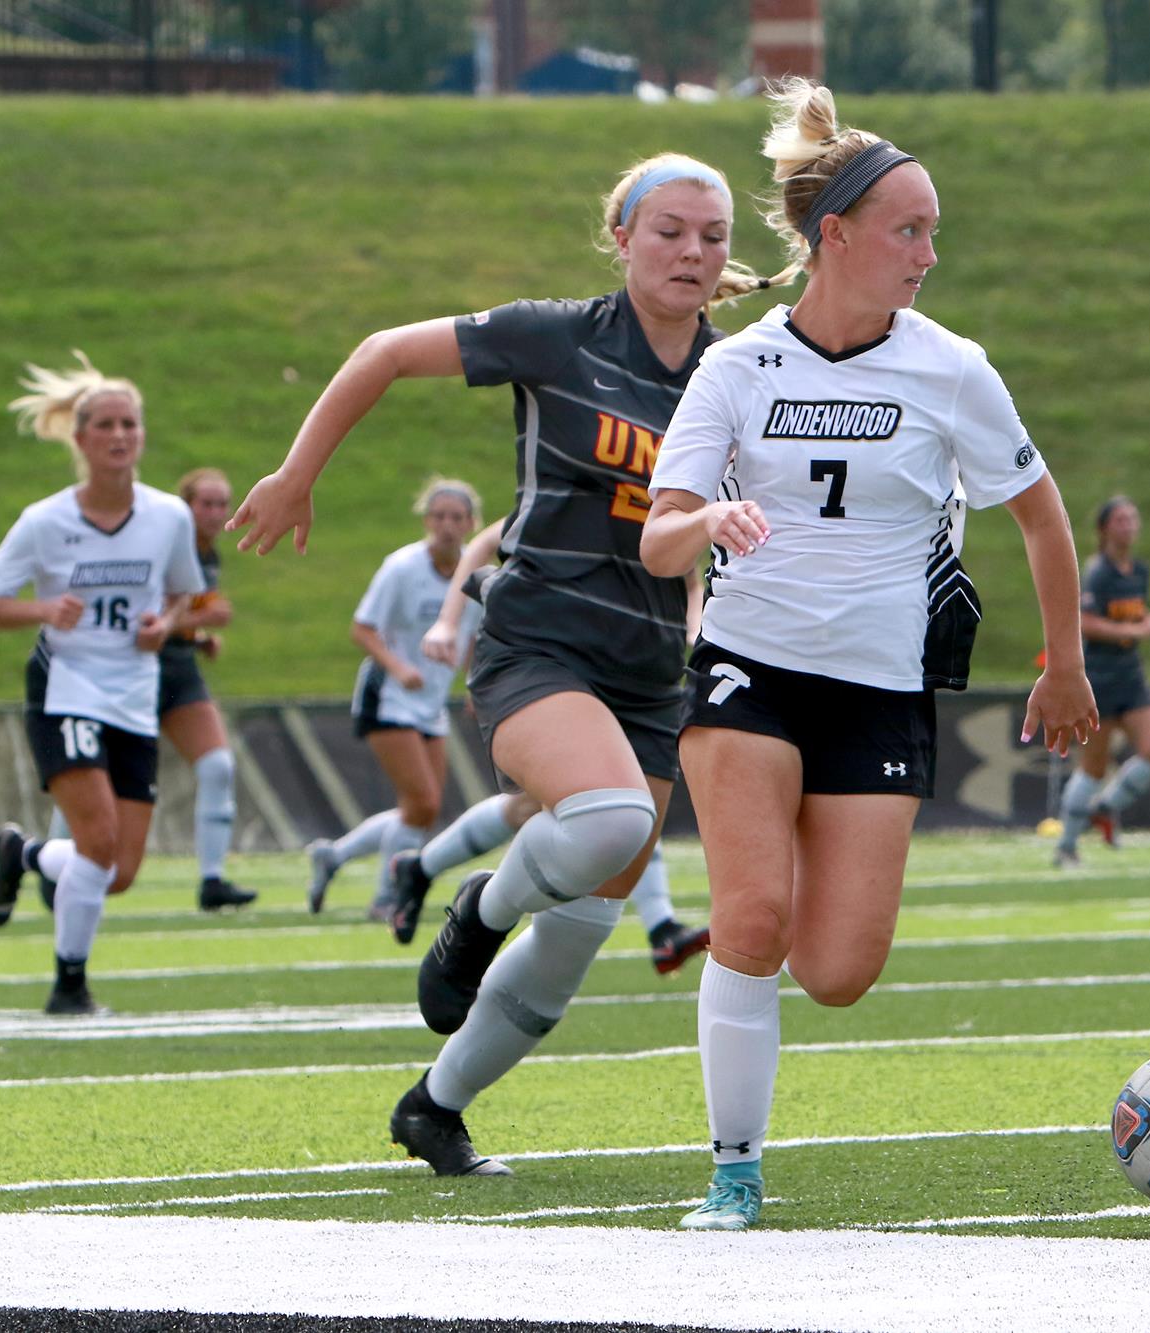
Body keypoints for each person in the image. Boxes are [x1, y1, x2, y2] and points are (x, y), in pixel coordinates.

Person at [230, 151, 772, 1176]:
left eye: (711, 235)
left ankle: (435, 1106)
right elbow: (384, 351)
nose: (692, 252)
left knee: (579, 935)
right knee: (609, 820)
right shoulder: (557, 336)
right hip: (538, 644)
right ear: (619, 236)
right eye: (668, 230)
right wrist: (296, 474)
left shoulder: (739, 371)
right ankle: (474, 912)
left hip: (652, 670)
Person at [640, 78, 1099, 1231]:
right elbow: (658, 538)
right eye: (910, 229)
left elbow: (1040, 516)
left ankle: (771, 950)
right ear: (832, 236)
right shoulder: (736, 368)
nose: (928, 253)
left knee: (837, 969)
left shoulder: (951, 368)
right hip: (748, 670)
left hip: (880, 689)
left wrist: (1064, 662)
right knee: (750, 918)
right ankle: (732, 1172)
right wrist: (709, 525)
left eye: (933, 230)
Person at [0, 352, 204, 1015]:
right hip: (66, 687)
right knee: (97, 844)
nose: (120, 435)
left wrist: (169, 622)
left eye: (129, 423)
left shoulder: (168, 517)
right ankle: (69, 984)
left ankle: (25, 854)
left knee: (118, 871)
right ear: (80, 439)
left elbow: (189, 592)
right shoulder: (45, 521)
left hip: (134, 691)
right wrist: (43, 609)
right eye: (105, 424)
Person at [378, 513, 713, 972]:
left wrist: (693, 627)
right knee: (617, 795)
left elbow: (687, 575)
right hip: (560, 665)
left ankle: (421, 869)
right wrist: (447, 623)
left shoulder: (664, 499)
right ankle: (658, 926)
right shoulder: (578, 491)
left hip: (631, 668)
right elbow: (485, 544)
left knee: (560, 804)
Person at [38, 466, 255, 912]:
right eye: (206, 504)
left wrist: (197, 638)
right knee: (89, 776)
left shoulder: (207, 553)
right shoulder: (154, 538)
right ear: (185, 505)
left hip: (177, 672)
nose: (216, 513)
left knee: (217, 767)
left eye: (222, 504)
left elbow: (175, 617)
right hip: (128, 673)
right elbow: (141, 618)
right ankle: (52, 861)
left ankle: (212, 881)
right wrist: (199, 623)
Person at [304, 478, 484, 920]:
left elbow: (472, 637)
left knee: (422, 810)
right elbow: (363, 628)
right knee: (421, 803)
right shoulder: (402, 568)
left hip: (431, 704)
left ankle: (335, 855)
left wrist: (477, 684)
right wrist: (399, 667)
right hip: (388, 698)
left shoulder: (473, 579)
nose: (446, 525)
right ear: (427, 521)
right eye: (438, 516)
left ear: (471, 525)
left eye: (456, 517)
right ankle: (386, 898)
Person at [1052, 495, 1150, 866]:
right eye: (1121, 520)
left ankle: (1105, 807)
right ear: (1105, 528)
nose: (1129, 526)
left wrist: (1145, 622)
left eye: (1132, 519)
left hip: (1131, 676)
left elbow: (1130, 617)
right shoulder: (1098, 572)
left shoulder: (1138, 572)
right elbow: (1086, 623)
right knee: (1094, 766)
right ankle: (1067, 846)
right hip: (1101, 678)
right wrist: (1137, 630)